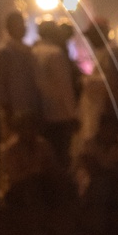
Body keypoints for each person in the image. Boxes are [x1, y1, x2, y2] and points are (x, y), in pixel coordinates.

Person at [32, 19, 80, 170]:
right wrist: (72, 115)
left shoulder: (32, 52)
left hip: (39, 114)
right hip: (59, 115)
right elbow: (64, 88)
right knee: (60, 158)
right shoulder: (55, 53)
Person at [0, 11, 40, 139]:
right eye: (19, 24)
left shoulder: (28, 50)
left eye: (23, 24)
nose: (23, 28)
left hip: (30, 110)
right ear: (9, 28)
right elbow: (0, 85)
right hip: (14, 112)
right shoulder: (3, 52)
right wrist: (7, 113)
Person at [0, 112, 60, 207]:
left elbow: (52, 168)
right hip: (20, 190)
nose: (30, 131)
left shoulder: (44, 145)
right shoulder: (11, 150)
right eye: (26, 127)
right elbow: (15, 177)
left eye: (33, 127)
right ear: (18, 130)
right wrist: (35, 172)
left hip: (43, 187)